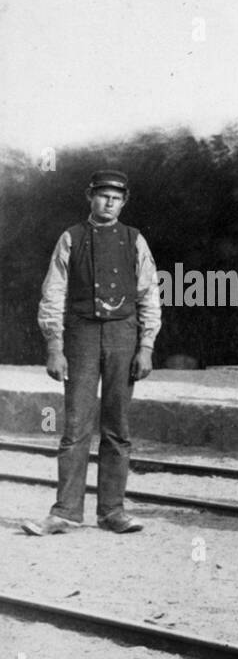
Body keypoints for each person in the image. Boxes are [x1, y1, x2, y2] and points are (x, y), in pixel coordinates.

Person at [22, 170, 161, 536]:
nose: (109, 202)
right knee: (76, 427)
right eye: (103, 195)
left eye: (116, 197)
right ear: (90, 196)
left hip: (123, 336)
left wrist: (145, 347)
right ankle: (65, 511)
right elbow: (53, 293)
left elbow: (149, 295)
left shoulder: (135, 240)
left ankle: (112, 511)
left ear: (124, 201)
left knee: (117, 428)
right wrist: (55, 346)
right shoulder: (71, 238)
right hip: (81, 337)